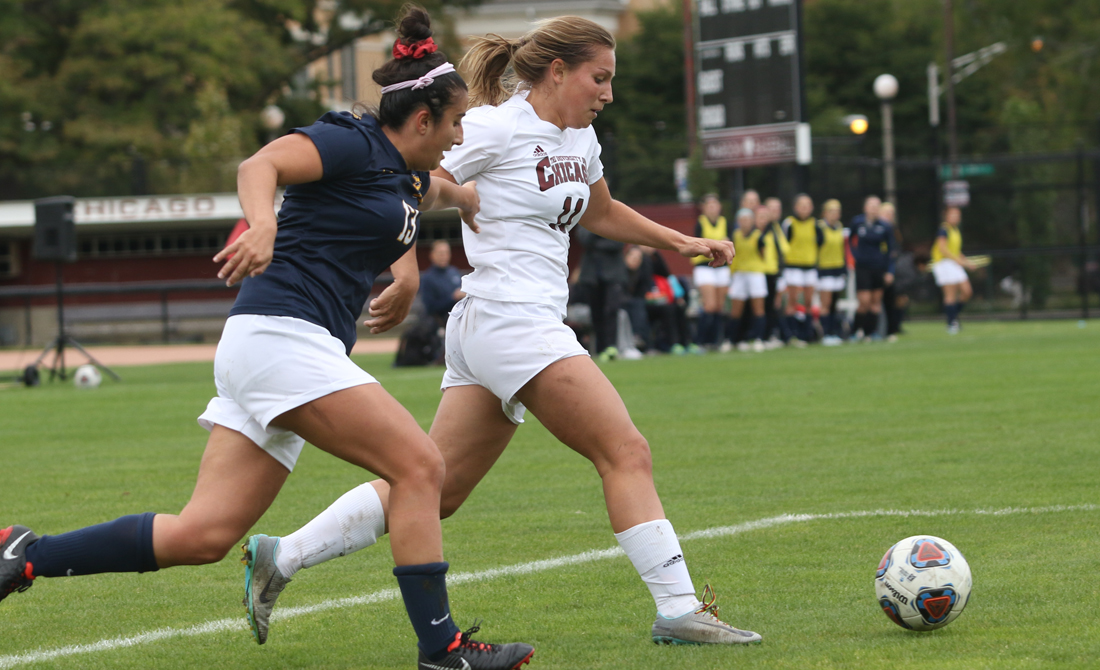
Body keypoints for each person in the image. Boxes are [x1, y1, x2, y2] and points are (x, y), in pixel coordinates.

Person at [0, 10, 537, 670]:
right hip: (282, 338)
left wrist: (444, 230)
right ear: (422, 119)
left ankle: (23, 555)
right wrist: (261, 226)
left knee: (203, 535)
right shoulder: (351, 140)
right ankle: (444, 651)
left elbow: (426, 197)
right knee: (421, 466)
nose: (459, 137)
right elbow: (260, 165)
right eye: (454, 124)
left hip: (276, 350)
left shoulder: (407, 175)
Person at [245, 15, 761, 648]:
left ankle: (282, 555)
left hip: (499, 326)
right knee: (625, 452)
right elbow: (400, 178)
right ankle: (679, 610)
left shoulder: (582, 138)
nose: (606, 93)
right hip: (508, 319)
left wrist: (680, 241)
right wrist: (403, 274)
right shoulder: (496, 125)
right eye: (599, 78)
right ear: (556, 71)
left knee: (438, 488)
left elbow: (598, 211)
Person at [848, 195, 896, 341]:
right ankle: (855, 331)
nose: (874, 209)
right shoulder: (857, 222)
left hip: (879, 268)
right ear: (865, 208)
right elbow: (850, 241)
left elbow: (891, 250)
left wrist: (890, 271)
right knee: (864, 301)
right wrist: (856, 257)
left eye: (877, 206)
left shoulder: (885, 226)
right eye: (871, 206)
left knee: (875, 302)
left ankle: (871, 332)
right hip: (863, 268)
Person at [575, 227, 627, 361]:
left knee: (611, 310)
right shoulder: (585, 219)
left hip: (613, 275)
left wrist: (596, 240)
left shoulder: (615, 219)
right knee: (595, 314)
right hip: (591, 277)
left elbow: (618, 242)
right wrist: (602, 231)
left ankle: (611, 347)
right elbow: (584, 239)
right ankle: (600, 348)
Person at [781, 194, 823, 346]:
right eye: (802, 205)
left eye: (808, 205)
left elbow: (819, 243)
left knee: (808, 301)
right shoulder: (789, 223)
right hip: (793, 266)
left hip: (810, 266)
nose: (805, 208)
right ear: (796, 207)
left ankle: (807, 334)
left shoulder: (816, 224)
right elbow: (783, 243)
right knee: (792, 301)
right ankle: (791, 334)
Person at [691, 194, 730, 350]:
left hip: (722, 267)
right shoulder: (700, 223)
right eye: (709, 205)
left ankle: (716, 341)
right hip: (704, 266)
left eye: (715, 205)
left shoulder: (724, 222)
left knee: (720, 306)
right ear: (704, 208)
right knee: (710, 305)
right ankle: (700, 341)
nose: (713, 208)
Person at [728, 207, 769, 352]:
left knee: (758, 308)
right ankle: (733, 339)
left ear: (752, 221)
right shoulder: (735, 235)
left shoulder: (759, 236)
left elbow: (763, 254)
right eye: (742, 220)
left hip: (755, 273)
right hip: (740, 274)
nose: (745, 223)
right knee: (736, 309)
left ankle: (759, 338)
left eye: (747, 220)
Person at [931, 206, 975, 334]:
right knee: (950, 295)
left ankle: (953, 315)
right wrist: (958, 261)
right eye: (953, 215)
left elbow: (955, 251)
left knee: (967, 292)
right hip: (943, 263)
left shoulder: (955, 231)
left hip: (953, 263)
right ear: (947, 216)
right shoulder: (943, 230)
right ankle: (951, 324)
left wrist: (966, 262)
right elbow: (942, 249)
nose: (956, 217)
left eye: (958, 215)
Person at [759, 198, 791, 347]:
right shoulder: (763, 229)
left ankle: (775, 334)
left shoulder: (777, 227)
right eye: (772, 208)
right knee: (768, 305)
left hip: (776, 272)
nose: (775, 211)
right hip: (765, 271)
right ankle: (766, 335)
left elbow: (784, 249)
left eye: (778, 208)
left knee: (775, 304)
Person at [815, 199, 847, 346]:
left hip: (838, 268)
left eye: (837, 211)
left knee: (835, 304)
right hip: (824, 268)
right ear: (825, 213)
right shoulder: (819, 228)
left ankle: (835, 332)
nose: (835, 214)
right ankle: (826, 333)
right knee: (825, 304)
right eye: (831, 211)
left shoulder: (840, 227)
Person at [420, 239, 466, 321]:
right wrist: (453, 298)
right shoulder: (428, 278)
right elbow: (430, 307)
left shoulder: (454, 272)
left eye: (446, 253)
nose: (444, 256)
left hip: (459, 318)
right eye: (440, 253)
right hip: (439, 322)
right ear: (432, 255)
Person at [878, 202, 904, 341]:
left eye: (891, 213)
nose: (890, 216)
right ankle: (876, 330)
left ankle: (892, 329)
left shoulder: (894, 231)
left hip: (892, 270)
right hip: (878, 269)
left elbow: (894, 252)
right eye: (886, 212)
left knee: (892, 300)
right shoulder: (876, 229)